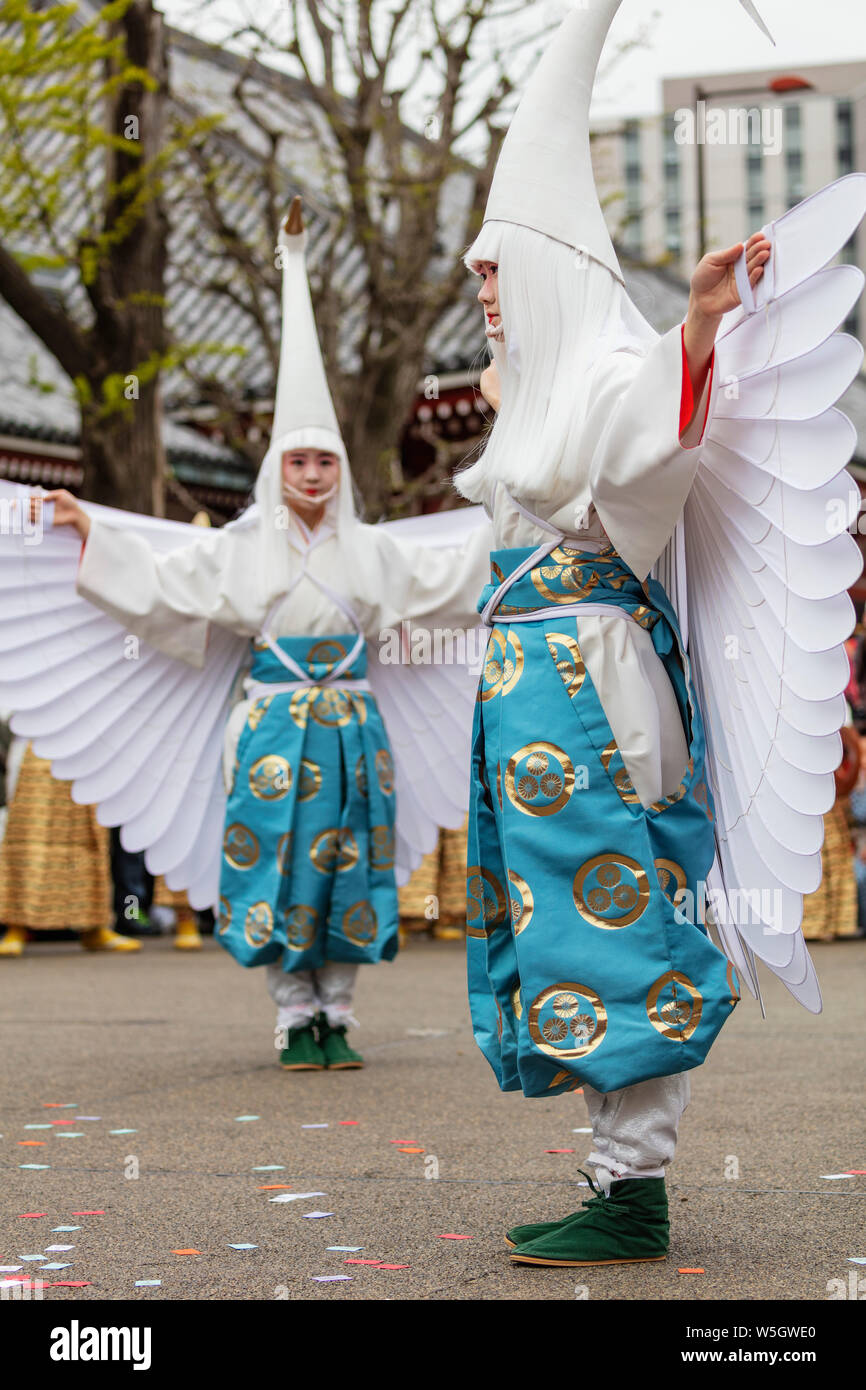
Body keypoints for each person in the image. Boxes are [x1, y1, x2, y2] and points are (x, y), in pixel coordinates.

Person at [454, 0, 863, 1267]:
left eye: (494, 266)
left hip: (593, 693)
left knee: (612, 918)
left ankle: (631, 1189)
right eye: (471, 267)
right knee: (563, 920)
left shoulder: (606, 378)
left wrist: (692, 328)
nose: (479, 286)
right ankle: (611, 1173)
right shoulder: (530, 406)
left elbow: (652, 440)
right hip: (537, 694)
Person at [28, 198, 491, 1069]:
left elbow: (457, 578)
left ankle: (339, 1011)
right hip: (273, 729)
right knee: (277, 863)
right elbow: (164, 583)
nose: (313, 474)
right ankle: (290, 1013)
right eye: (298, 461)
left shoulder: (375, 553)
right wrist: (92, 529)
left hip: (356, 732)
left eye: (325, 462)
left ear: (341, 471)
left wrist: (514, 514)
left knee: (349, 865)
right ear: (277, 470)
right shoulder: (239, 550)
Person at [0, 740, 141, 955]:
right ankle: (16, 925)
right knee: (29, 832)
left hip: (88, 745)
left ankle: (95, 926)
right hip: (41, 740)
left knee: (89, 835)